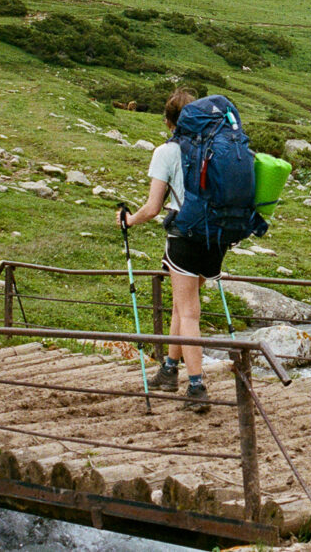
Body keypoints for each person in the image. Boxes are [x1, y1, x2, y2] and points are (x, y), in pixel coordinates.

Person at [117, 88, 223, 411]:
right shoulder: (214, 149)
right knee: (182, 304)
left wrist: (129, 221)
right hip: (215, 239)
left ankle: (196, 387)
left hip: (184, 238)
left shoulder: (166, 152)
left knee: (188, 312)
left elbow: (152, 208)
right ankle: (169, 369)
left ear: (169, 122)